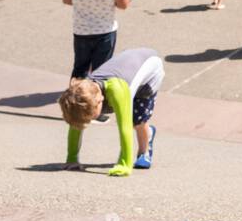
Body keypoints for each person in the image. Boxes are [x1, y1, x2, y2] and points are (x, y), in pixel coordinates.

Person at [59, 47, 164, 176]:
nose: (90, 120)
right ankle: (146, 135)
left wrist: (124, 164)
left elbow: (124, 128)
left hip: (150, 72)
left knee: (136, 120)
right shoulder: (83, 93)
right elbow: (76, 124)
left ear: (100, 100)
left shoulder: (117, 91)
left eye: (91, 117)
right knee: (130, 116)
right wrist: (72, 158)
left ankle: (144, 150)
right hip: (127, 67)